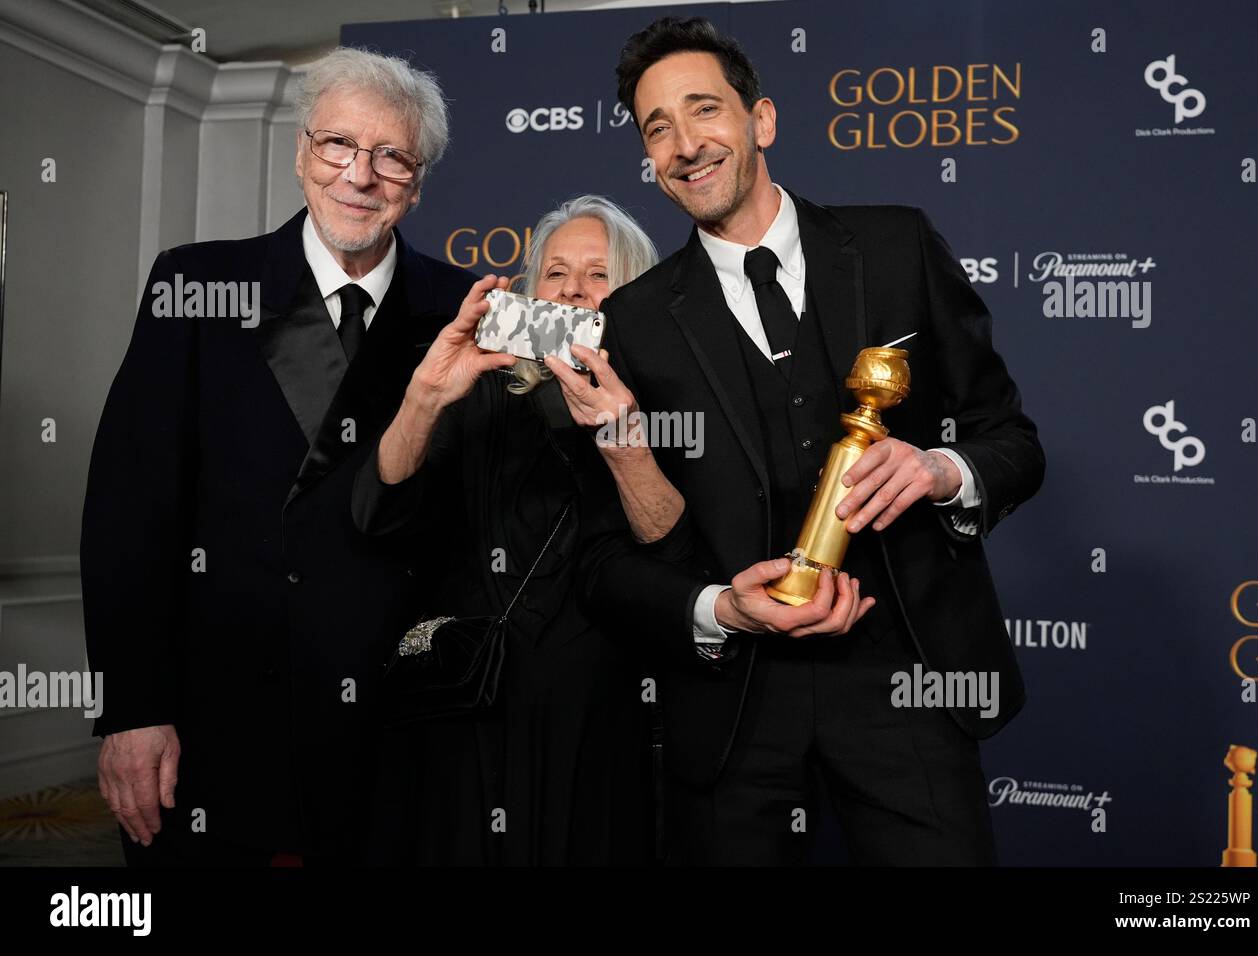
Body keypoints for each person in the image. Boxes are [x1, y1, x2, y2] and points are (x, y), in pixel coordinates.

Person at [572, 17, 1046, 865]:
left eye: (703, 110)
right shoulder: (630, 327)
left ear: (762, 120)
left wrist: (942, 470)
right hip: (732, 706)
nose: (685, 144)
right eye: (657, 128)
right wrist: (721, 608)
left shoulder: (896, 247)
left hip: (908, 683)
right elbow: (606, 561)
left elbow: (1010, 439)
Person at [80, 48, 474, 865]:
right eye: (337, 145)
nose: (359, 175)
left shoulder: (460, 310)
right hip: (217, 717)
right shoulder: (195, 285)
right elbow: (128, 511)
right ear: (301, 153)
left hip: (396, 731)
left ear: (418, 181)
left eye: (391, 156)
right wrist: (132, 708)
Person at [353, 195, 663, 865]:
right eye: (555, 273)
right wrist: (424, 398)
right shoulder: (486, 388)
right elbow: (380, 513)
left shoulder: (665, 406)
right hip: (475, 691)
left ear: (635, 292)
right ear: (531, 290)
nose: (574, 288)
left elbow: (671, 546)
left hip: (600, 701)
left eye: (599, 273)